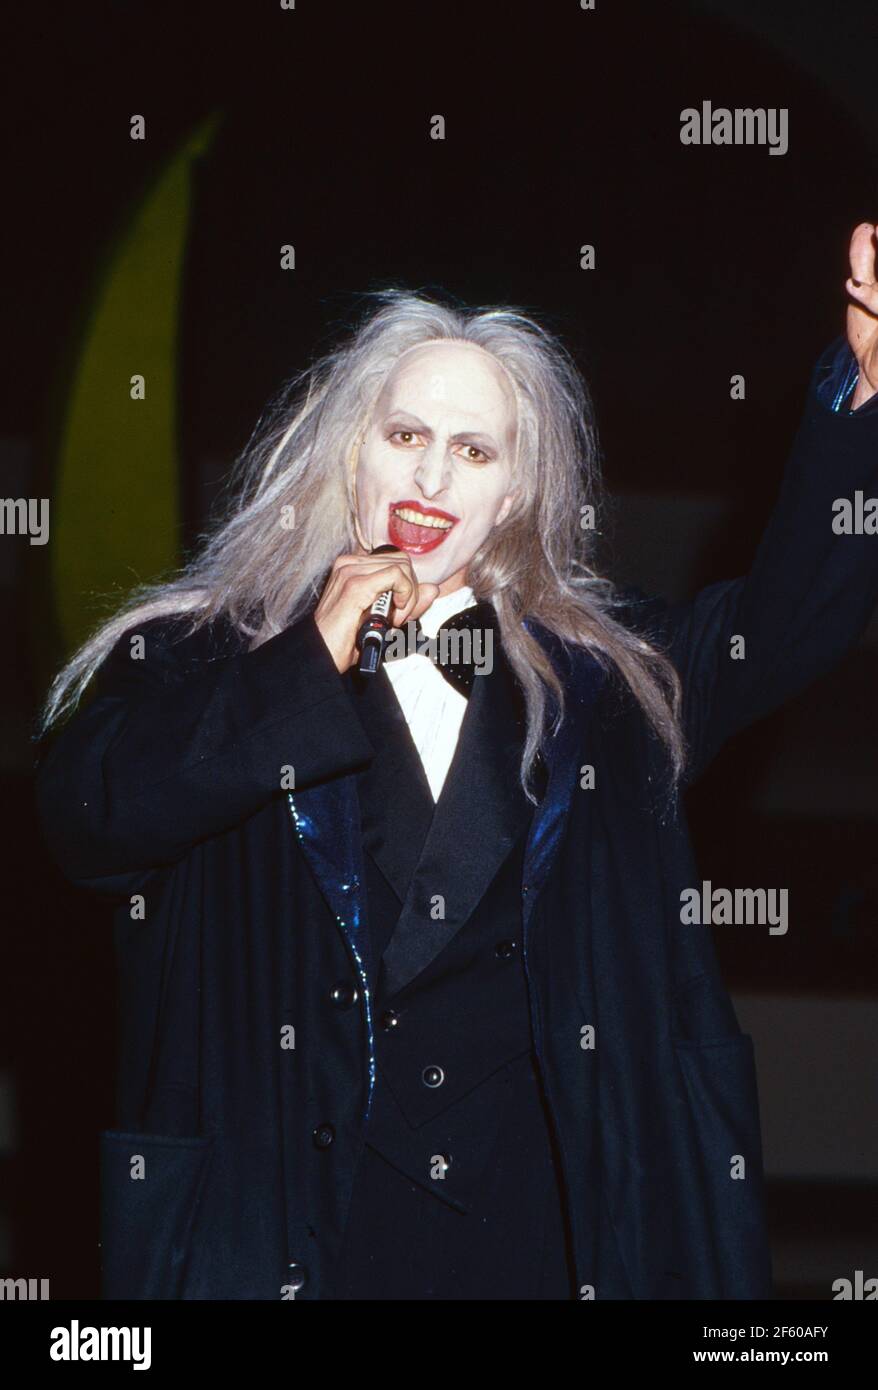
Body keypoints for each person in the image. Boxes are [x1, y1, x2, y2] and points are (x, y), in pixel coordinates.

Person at [34, 224, 878, 1300]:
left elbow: (789, 621)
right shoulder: (202, 657)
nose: (432, 471)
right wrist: (299, 667)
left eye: (474, 450)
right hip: (286, 1231)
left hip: (543, 1230)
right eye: (404, 434)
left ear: (518, 492)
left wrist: (859, 391)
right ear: (350, 450)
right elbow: (87, 818)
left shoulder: (610, 682)